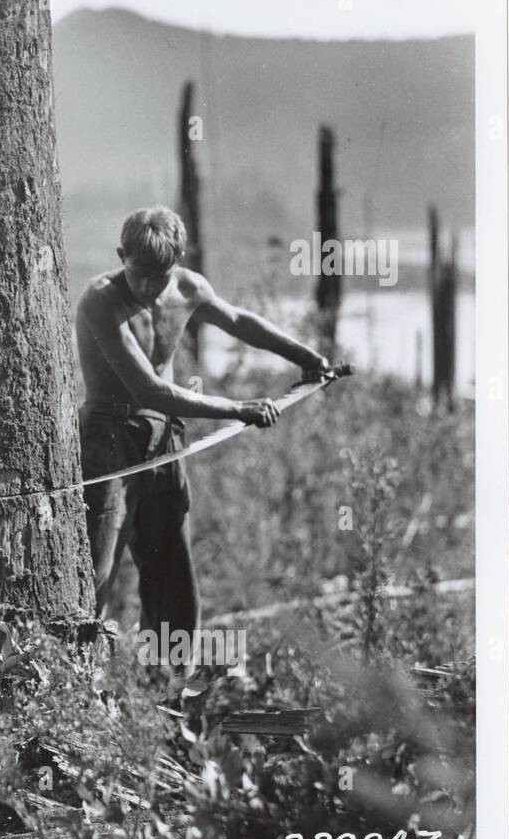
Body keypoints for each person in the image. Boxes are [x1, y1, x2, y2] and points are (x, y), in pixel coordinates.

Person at [76, 206, 329, 650]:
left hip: (165, 441)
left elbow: (237, 321)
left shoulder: (189, 287)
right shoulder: (101, 300)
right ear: (121, 255)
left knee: (172, 571)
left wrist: (305, 357)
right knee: (98, 568)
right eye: (140, 276)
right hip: (109, 440)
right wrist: (238, 408)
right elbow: (148, 389)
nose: (152, 288)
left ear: (179, 261)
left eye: (162, 276)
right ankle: (77, 681)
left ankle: (168, 689)